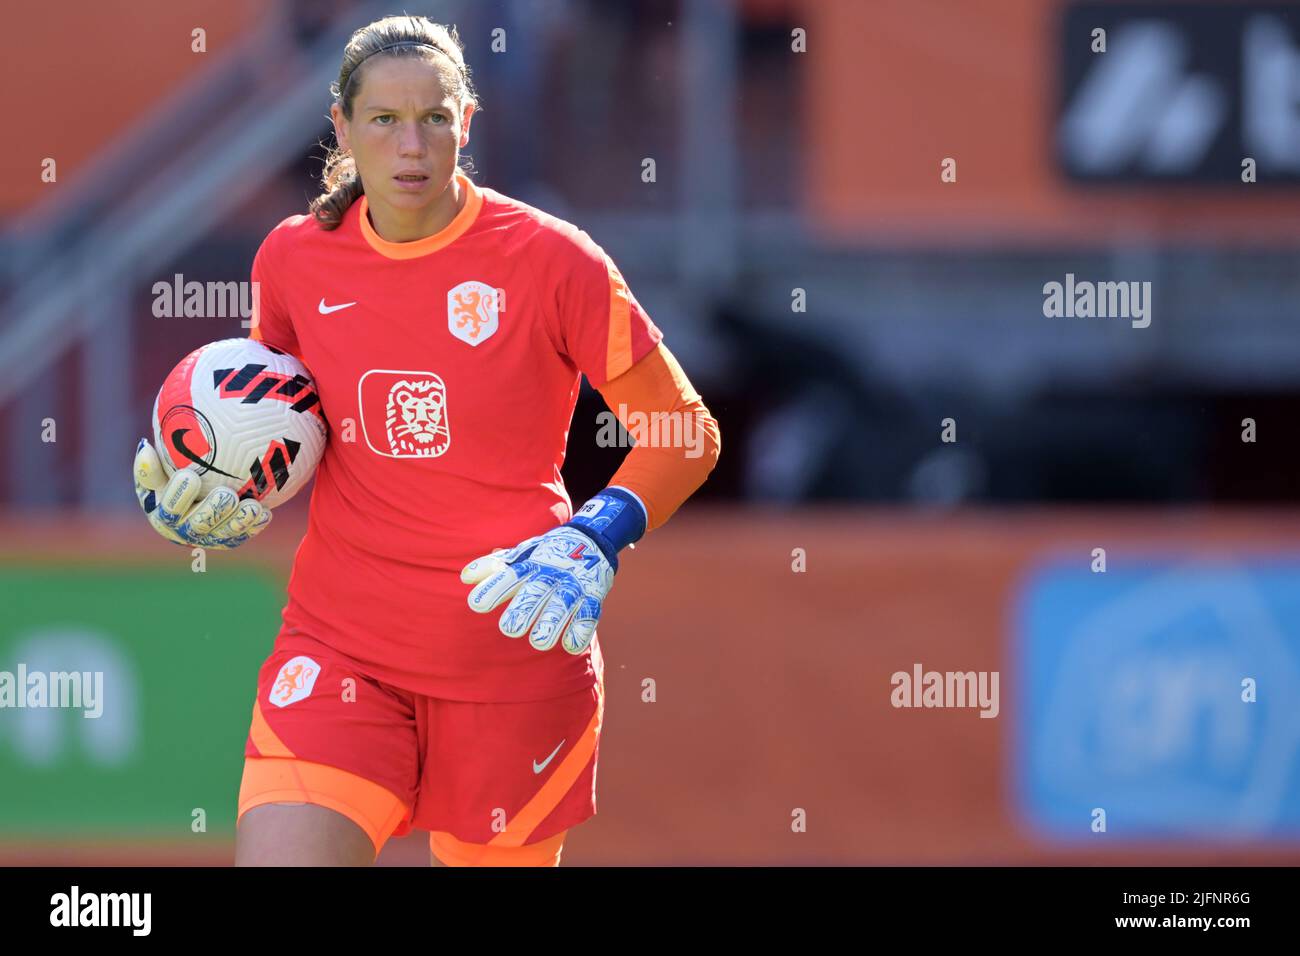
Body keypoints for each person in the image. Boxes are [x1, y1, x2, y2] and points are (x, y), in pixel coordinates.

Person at [131, 14, 720, 866]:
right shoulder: (294, 260)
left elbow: (685, 432)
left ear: (467, 123)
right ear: (341, 127)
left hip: (513, 656)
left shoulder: (555, 261)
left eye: (435, 118)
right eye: (384, 120)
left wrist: (598, 533)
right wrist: (215, 492)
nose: (412, 144)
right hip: (341, 646)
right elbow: (280, 437)